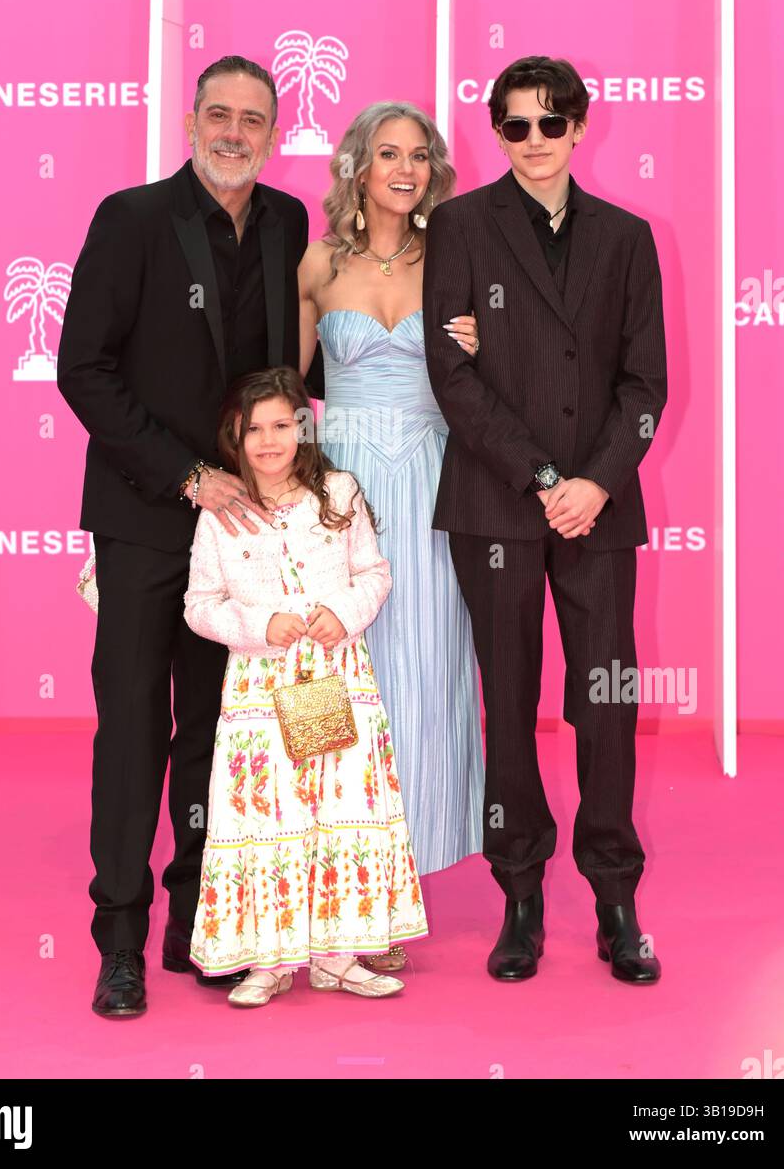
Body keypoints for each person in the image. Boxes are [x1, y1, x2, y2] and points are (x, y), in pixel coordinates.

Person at [57, 55, 323, 1018]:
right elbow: (82, 369)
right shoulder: (129, 219)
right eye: (220, 113)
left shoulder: (290, 221)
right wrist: (185, 475)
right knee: (132, 729)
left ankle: (196, 924)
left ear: (273, 129)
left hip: (242, 536)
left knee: (213, 733)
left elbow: (297, 362)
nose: (235, 131)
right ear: (189, 119)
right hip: (145, 520)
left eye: (254, 118)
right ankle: (118, 940)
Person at [422, 55, 667, 984]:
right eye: (515, 125)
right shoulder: (459, 228)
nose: (534, 141)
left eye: (550, 123)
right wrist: (539, 477)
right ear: (496, 132)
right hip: (497, 505)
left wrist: (594, 483)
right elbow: (454, 378)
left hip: (598, 512)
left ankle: (615, 897)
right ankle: (518, 894)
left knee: (605, 705)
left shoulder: (627, 236)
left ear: (579, 126)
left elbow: (646, 382)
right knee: (510, 706)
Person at [297, 102, 484, 972]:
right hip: (342, 487)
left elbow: (496, 372)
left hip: (436, 485)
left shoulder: (457, 260)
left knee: (425, 675)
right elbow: (287, 393)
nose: (403, 169)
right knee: (342, 679)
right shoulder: (316, 263)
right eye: (386, 154)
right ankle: (336, 875)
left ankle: (398, 873)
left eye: (419, 155)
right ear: (357, 168)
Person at [183, 366, 428, 1005]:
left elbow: (374, 573)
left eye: (282, 425)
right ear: (235, 438)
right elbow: (199, 605)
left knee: (339, 809)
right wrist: (262, 624)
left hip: (333, 679)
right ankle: (267, 958)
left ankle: (337, 957)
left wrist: (341, 615)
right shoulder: (222, 515)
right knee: (268, 814)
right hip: (259, 694)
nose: (269, 442)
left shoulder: (338, 493)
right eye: (254, 429)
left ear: (303, 426)